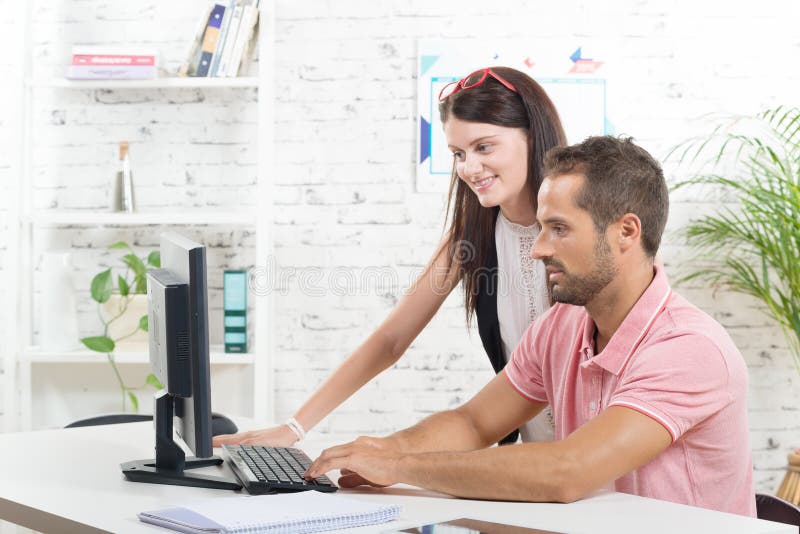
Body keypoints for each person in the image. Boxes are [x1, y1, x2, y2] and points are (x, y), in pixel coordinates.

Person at [305, 136, 756, 517]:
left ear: (626, 232)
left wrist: (402, 464)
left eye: (558, 228)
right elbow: (475, 422)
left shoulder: (688, 348)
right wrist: (381, 451)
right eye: (541, 227)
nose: (537, 249)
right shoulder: (561, 326)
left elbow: (568, 471)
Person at [214, 67, 567, 448]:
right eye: (458, 153)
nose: (468, 167)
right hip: (535, 459)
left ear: (531, 135)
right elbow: (391, 339)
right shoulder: (473, 234)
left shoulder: (584, 227)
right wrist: (295, 428)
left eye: (484, 147)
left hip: (602, 463)